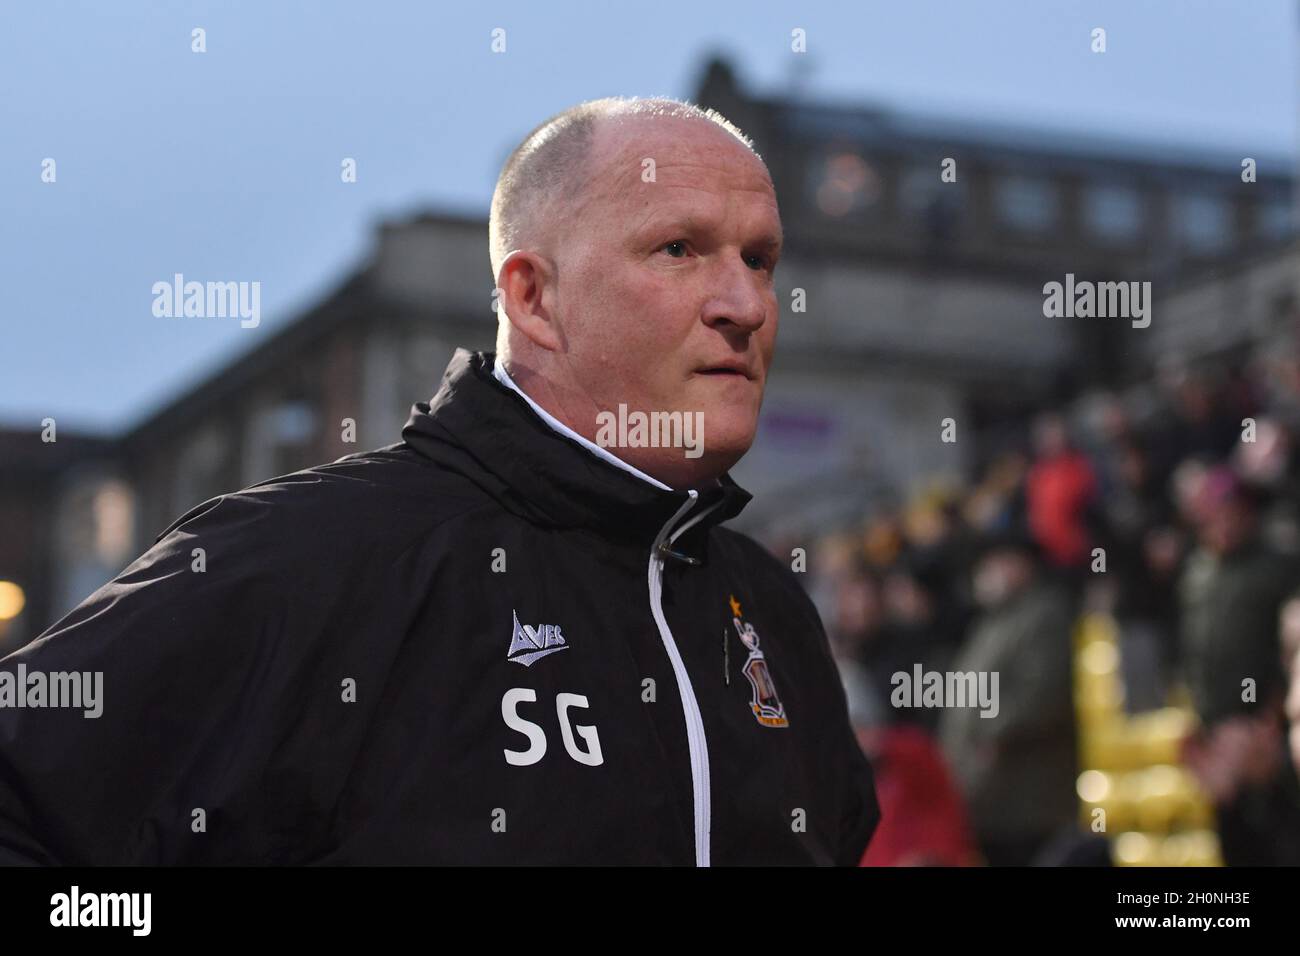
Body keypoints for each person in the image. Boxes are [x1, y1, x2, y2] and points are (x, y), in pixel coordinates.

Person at [0, 97, 879, 866]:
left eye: (759, 259)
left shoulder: (771, 613)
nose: (748, 304)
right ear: (533, 299)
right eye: (680, 249)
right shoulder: (305, 562)